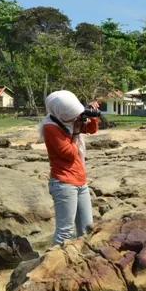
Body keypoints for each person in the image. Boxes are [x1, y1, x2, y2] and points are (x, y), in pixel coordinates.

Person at [38, 90, 100, 246]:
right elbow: (70, 154)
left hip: (80, 181)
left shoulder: (67, 119)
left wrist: (92, 116)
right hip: (64, 184)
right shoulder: (50, 127)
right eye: (73, 117)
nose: (75, 119)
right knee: (65, 232)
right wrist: (77, 130)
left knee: (87, 230)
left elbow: (91, 130)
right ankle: (53, 268)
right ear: (61, 113)